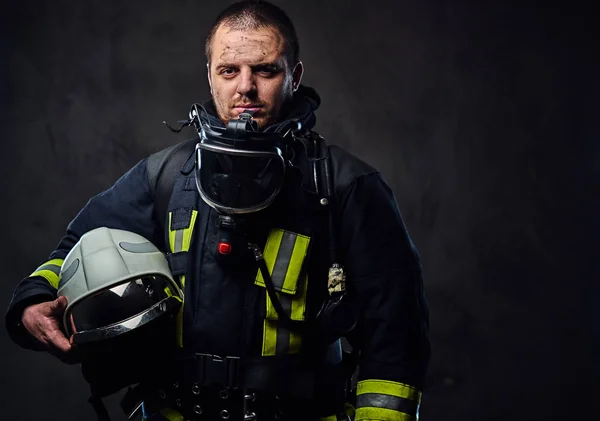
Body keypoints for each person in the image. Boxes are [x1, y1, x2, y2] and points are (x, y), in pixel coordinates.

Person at [5, 1, 430, 420]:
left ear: (294, 76)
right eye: (229, 71)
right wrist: (34, 299)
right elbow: (77, 248)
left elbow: (396, 334)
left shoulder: (345, 187)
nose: (245, 87)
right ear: (210, 77)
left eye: (265, 70)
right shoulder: (166, 176)